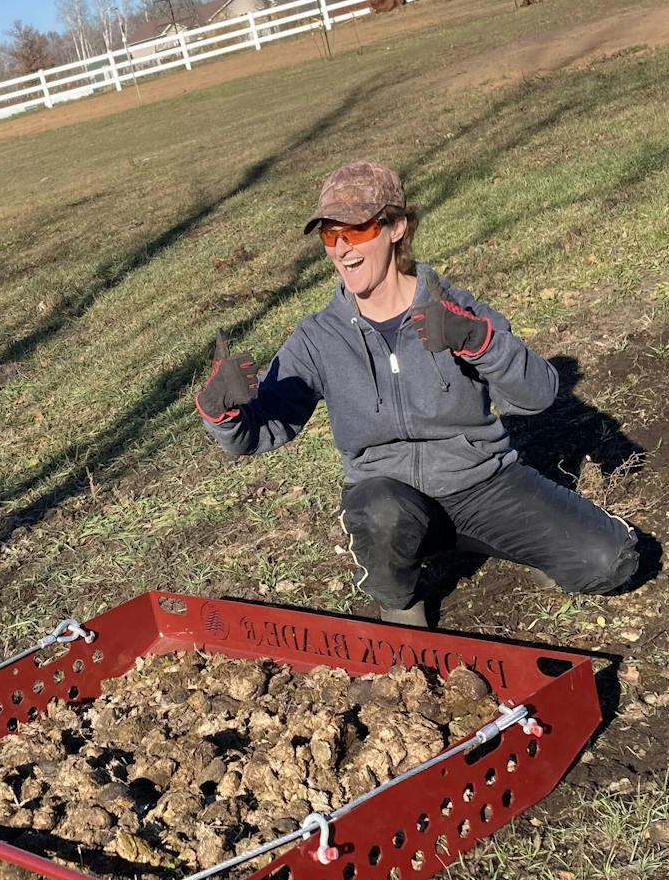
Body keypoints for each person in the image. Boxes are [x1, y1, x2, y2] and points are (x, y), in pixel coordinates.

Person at [196, 161, 638, 625]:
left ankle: (515, 545)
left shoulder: (454, 309)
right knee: (381, 511)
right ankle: (399, 596)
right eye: (330, 235)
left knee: (612, 561)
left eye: (358, 229)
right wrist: (222, 414)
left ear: (396, 227)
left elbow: (538, 395)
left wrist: (480, 343)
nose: (343, 249)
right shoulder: (318, 338)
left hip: (483, 484)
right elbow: (261, 430)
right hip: (390, 496)